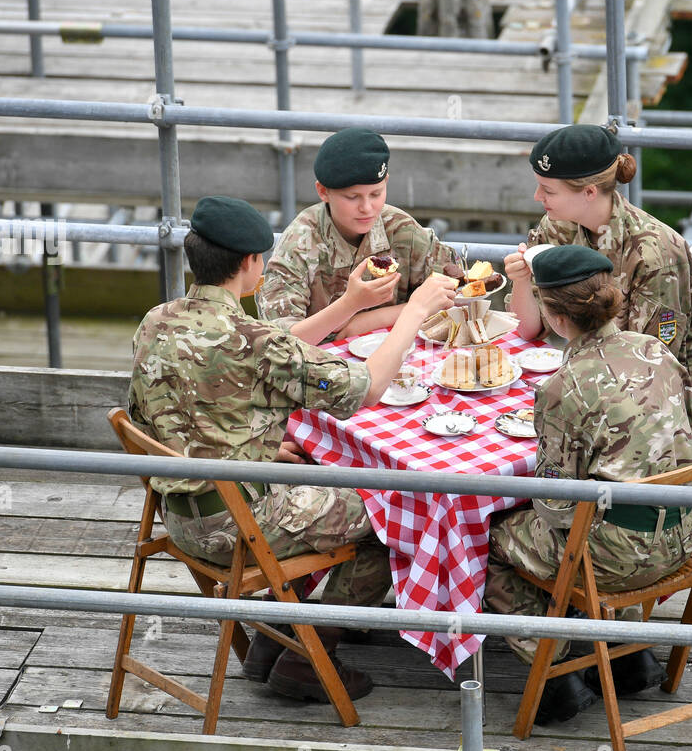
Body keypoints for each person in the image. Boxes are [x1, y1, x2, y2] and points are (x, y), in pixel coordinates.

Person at [129, 195, 457, 703]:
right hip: (237, 526)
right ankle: (310, 653)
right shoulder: (256, 342)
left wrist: (349, 304)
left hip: (177, 514)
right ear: (251, 264)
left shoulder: (155, 321)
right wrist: (413, 312)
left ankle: (273, 636)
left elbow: (152, 412)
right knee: (393, 509)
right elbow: (365, 388)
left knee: (321, 475)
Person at [484, 245, 692, 724]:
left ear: (555, 317)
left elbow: (558, 510)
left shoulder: (565, 387)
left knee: (482, 538)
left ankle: (557, 669)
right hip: (686, 535)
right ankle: (627, 652)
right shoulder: (656, 350)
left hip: (617, 558)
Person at [502, 124, 692, 417]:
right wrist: (522, 282)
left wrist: (570, 386)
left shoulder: (655, 253)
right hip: (592, 372)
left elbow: (650, 362)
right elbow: (529, 329)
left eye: (548, 190)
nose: (538, 196)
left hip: (661, 399)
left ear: (589, 192)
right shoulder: (558, 226)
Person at [258, 127, 457, 344]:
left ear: (386, 182)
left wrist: (364, 322)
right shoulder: (299, 244)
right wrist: (350, 305)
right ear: (323, 192)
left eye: (376, 194)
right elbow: (279, 344)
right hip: (322, 371)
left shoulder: (401, 229)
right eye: (352, 197)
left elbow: (456, 292)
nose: (367, 208)